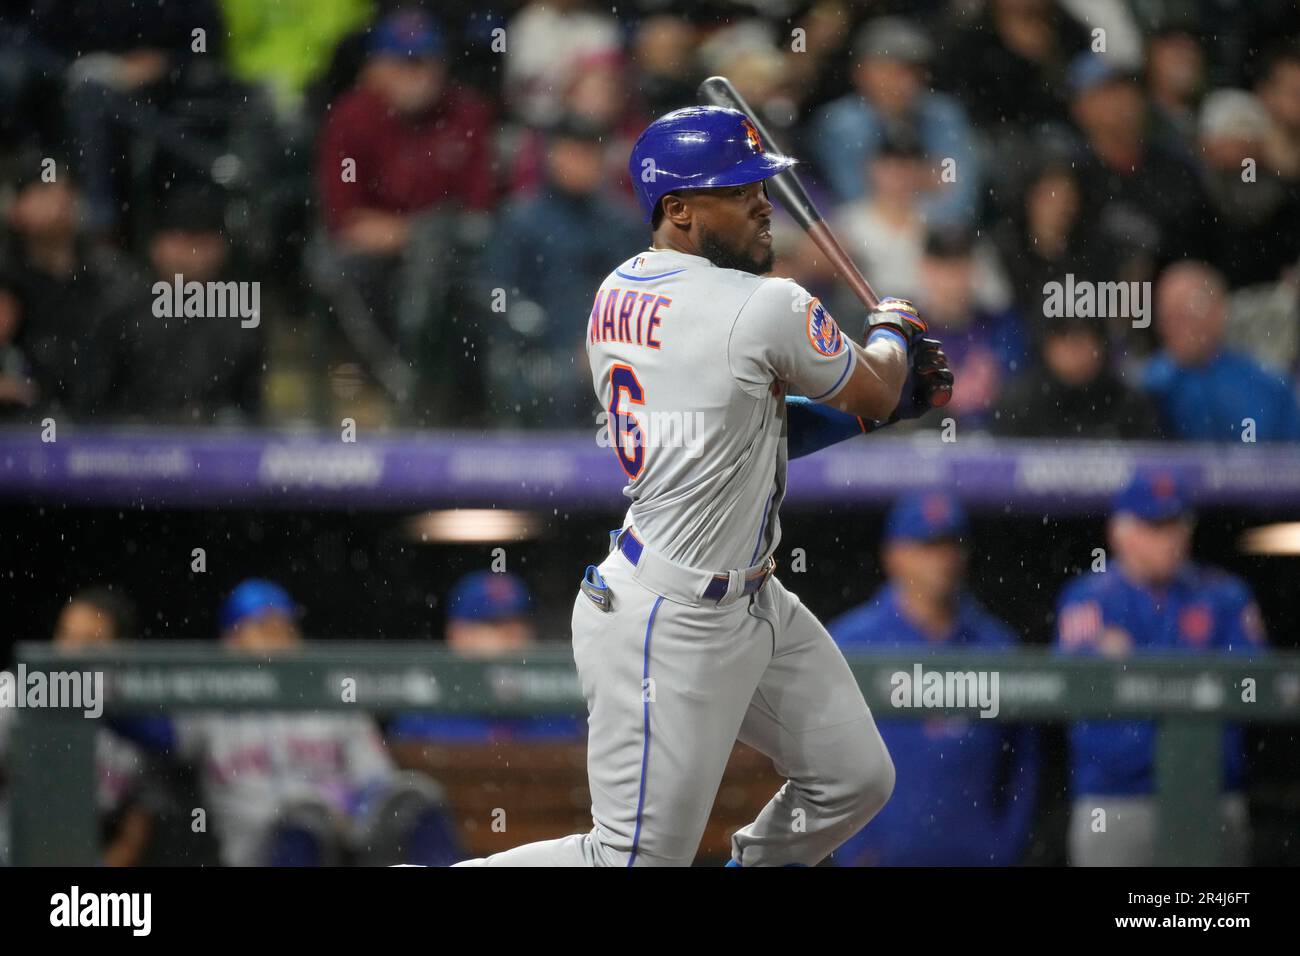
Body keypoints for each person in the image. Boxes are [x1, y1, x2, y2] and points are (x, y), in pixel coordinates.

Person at [454, 105, 953, 867]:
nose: (762, 203)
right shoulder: (765, 304)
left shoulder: (616, 290)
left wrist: (878, 403)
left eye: (762, 185)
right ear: (677, 210)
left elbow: (754, 432)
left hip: (749, 600)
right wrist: (893, 327)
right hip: (671, 616)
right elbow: (879, 385)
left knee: (852, 779)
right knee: (628, 860)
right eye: (739, 188)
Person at [118, 579, 462, 866]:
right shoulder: (213, 705)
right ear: (231, 640)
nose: (276, 640)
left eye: (284, 628)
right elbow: (156, 732)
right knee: (303, 820)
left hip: (345, 843)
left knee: (415, 796)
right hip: (262, 850)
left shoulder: (326, 696)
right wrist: (97, 683)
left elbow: (376, 781)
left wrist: (346, 810)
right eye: (262, 629)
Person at [1056, 470, 1267, 865]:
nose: (1169, 538)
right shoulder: (1090, 598)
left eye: (1176, 524)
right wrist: (1196, 680)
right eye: (1154, 526)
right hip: (1117, 803)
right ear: (1119, 533)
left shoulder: (1223, 594)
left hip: (1210, 796)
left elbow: (1255, 691)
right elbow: (1078, 707)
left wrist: (1133, 664)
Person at [827, 493, 1038, 866]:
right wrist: (853, 848)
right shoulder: (850, 642)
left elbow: (1024, 762)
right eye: (927, 545)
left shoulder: (996, 645)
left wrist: (1006, 845)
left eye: (951, 545)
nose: (942, 560)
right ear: (893, 555)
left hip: (974, 858)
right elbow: (819, 759)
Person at [487, 115, 644, 426]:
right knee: (556, 386)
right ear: (550, 157)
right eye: (571, 153)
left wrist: (604, 349)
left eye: (589, 154)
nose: (580, 164)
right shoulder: (520, 220)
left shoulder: (623, 224)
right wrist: (538, 332)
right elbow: (497, 291)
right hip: (540, 350)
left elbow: (640, 298)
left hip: (615, 351)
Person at [0, 587, 162, 867]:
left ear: (122, 652)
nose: (70, 652)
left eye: (89, 642)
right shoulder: (13, 694)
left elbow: (134, 836)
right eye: (66, 635)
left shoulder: (140, 723)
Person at [809, 17, 980, 227]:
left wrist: (901, 195)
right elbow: (854, 197)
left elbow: (961, 196)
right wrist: (923, 177)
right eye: (889, 69)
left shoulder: (944, 115)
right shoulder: (838, 123)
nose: (903, 81)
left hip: (938, 235)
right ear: (861, 72)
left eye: (911, 70)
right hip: (866, 240)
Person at [387, 571, 585, 742]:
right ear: (458, 633)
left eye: (518, 622)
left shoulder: (556, 709)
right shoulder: (423, 711)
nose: (511, 634)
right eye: (493, 623)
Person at [1143, 261, 1300, 442]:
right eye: (1166, 316)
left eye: (1184, 314)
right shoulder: (1148, 388)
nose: (1173, 327)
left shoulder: (1267, 387)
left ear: (1218, 312)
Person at [992, 312, 1162, 440]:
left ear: (1101, 342)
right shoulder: (1020, 405)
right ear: (1046, 345)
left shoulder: (1130, 406)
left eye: (1083, 334)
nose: (1074, 347)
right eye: (1063, 334)